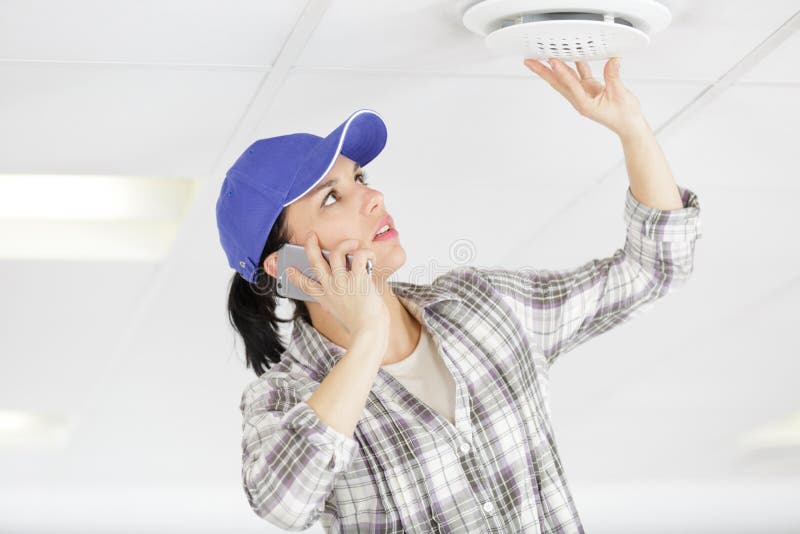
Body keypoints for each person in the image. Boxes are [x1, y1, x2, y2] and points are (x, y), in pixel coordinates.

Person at [215, 59, 703, 533]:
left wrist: (633, 129)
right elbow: (284, 505)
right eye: (331, 197)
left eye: (360, 179)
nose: (374, 197)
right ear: (289, 268)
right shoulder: (284, 397)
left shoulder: (482, 306)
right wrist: (368, 337)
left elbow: (653, 269)